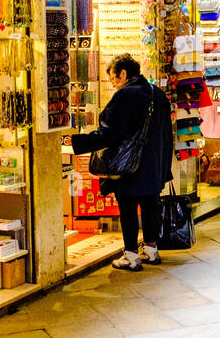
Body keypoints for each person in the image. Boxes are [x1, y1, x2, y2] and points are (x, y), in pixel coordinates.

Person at [70, 54, 174, 271]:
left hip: (128, 166)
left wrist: (76, 142)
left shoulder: (125, 96)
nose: (114, 85)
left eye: (114, 80)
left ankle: (131, 256)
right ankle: (152, 251)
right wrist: (163, 167)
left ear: (123, 74)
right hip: (154, 164)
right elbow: (167, 135)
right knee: (150, 206)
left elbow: (109, 135)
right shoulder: (158, 94)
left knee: (127, 208)